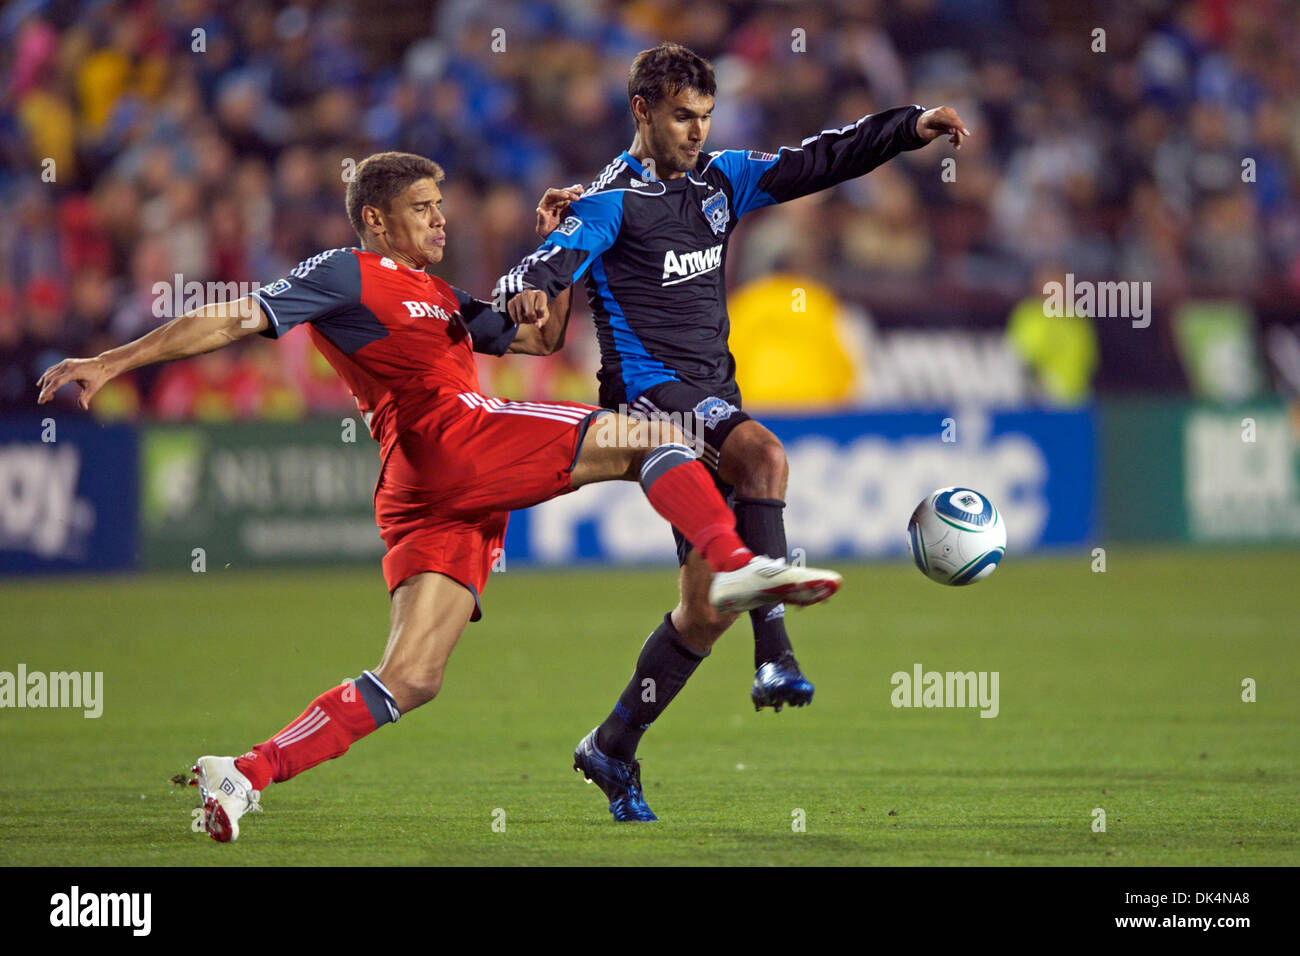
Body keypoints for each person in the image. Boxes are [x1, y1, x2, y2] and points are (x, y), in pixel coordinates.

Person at [35, 151, 842, 840]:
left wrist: (564, 251)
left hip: (429, 492)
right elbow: (233, 319)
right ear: (377, 219)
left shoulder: (437, 296)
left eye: (441, 207)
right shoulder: (347, 271)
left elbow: (534, 337)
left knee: (412, 675)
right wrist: (112, 362)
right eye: (422, 208)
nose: (439, 221)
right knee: (651, 433)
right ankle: (736, 562)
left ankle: (244, 773)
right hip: (451, 440)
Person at [498, 43, 969, 818]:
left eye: (706, 118)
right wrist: (525, 287)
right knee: (764, 454)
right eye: (682, 117)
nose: (696, 131)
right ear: (642, 110)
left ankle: (611, 745)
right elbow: (553, 258)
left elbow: (821, 159)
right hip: (649, 402)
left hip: (711, 395)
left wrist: (906, 126)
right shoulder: (608, 200)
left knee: (704, 608)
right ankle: (776, 656)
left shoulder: (723, 179)